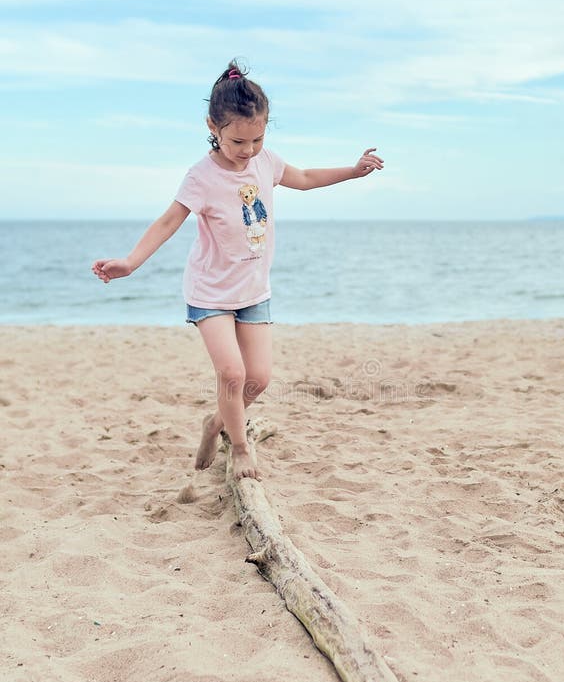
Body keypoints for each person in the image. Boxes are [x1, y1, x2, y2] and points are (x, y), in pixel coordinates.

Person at [92, 60, 383, 481]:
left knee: (258, 380)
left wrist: (352, 172)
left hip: (253, 291)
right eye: (237, 141)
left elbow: (303, 176)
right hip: (209, 291)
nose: (248, 150)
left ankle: (216, 422)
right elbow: (170, 220)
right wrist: (131, 262)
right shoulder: (201, 176)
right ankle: (240, 446)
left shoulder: (265, 163)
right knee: (231, 373)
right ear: (213, 126)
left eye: (257, 139)